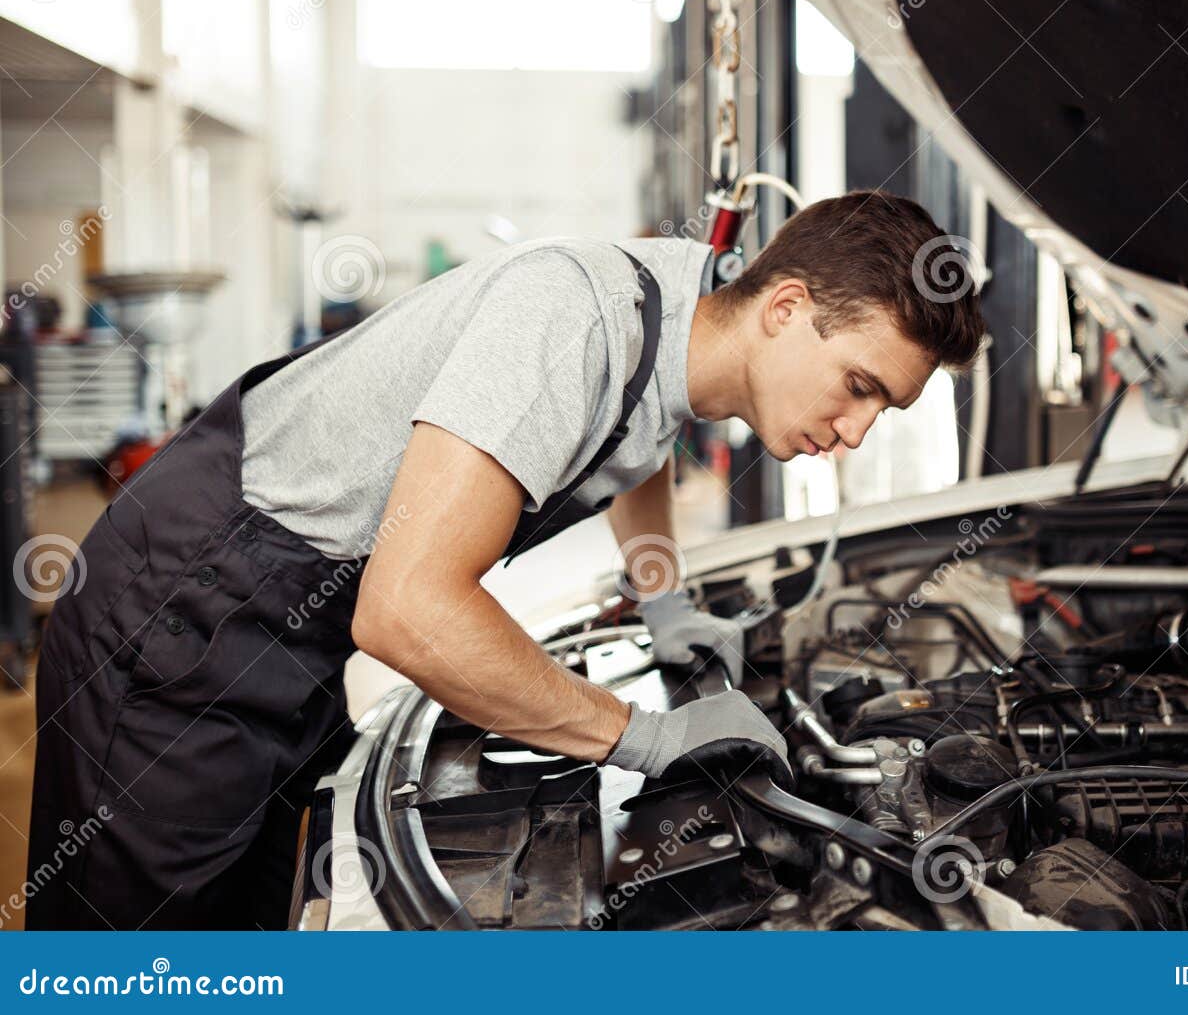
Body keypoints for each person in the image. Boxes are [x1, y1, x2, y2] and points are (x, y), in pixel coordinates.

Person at [25, 189, 986, 928]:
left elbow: (643, 430)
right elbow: (406, 611)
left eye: (881, 409)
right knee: (136, 960)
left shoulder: (692, 311)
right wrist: (638, 736)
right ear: (784, 307)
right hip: (185, 609)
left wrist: (664, 599)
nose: (855, 429)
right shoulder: (569, 321)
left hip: (290, 626)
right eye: (858, 385)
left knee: (253, 929)